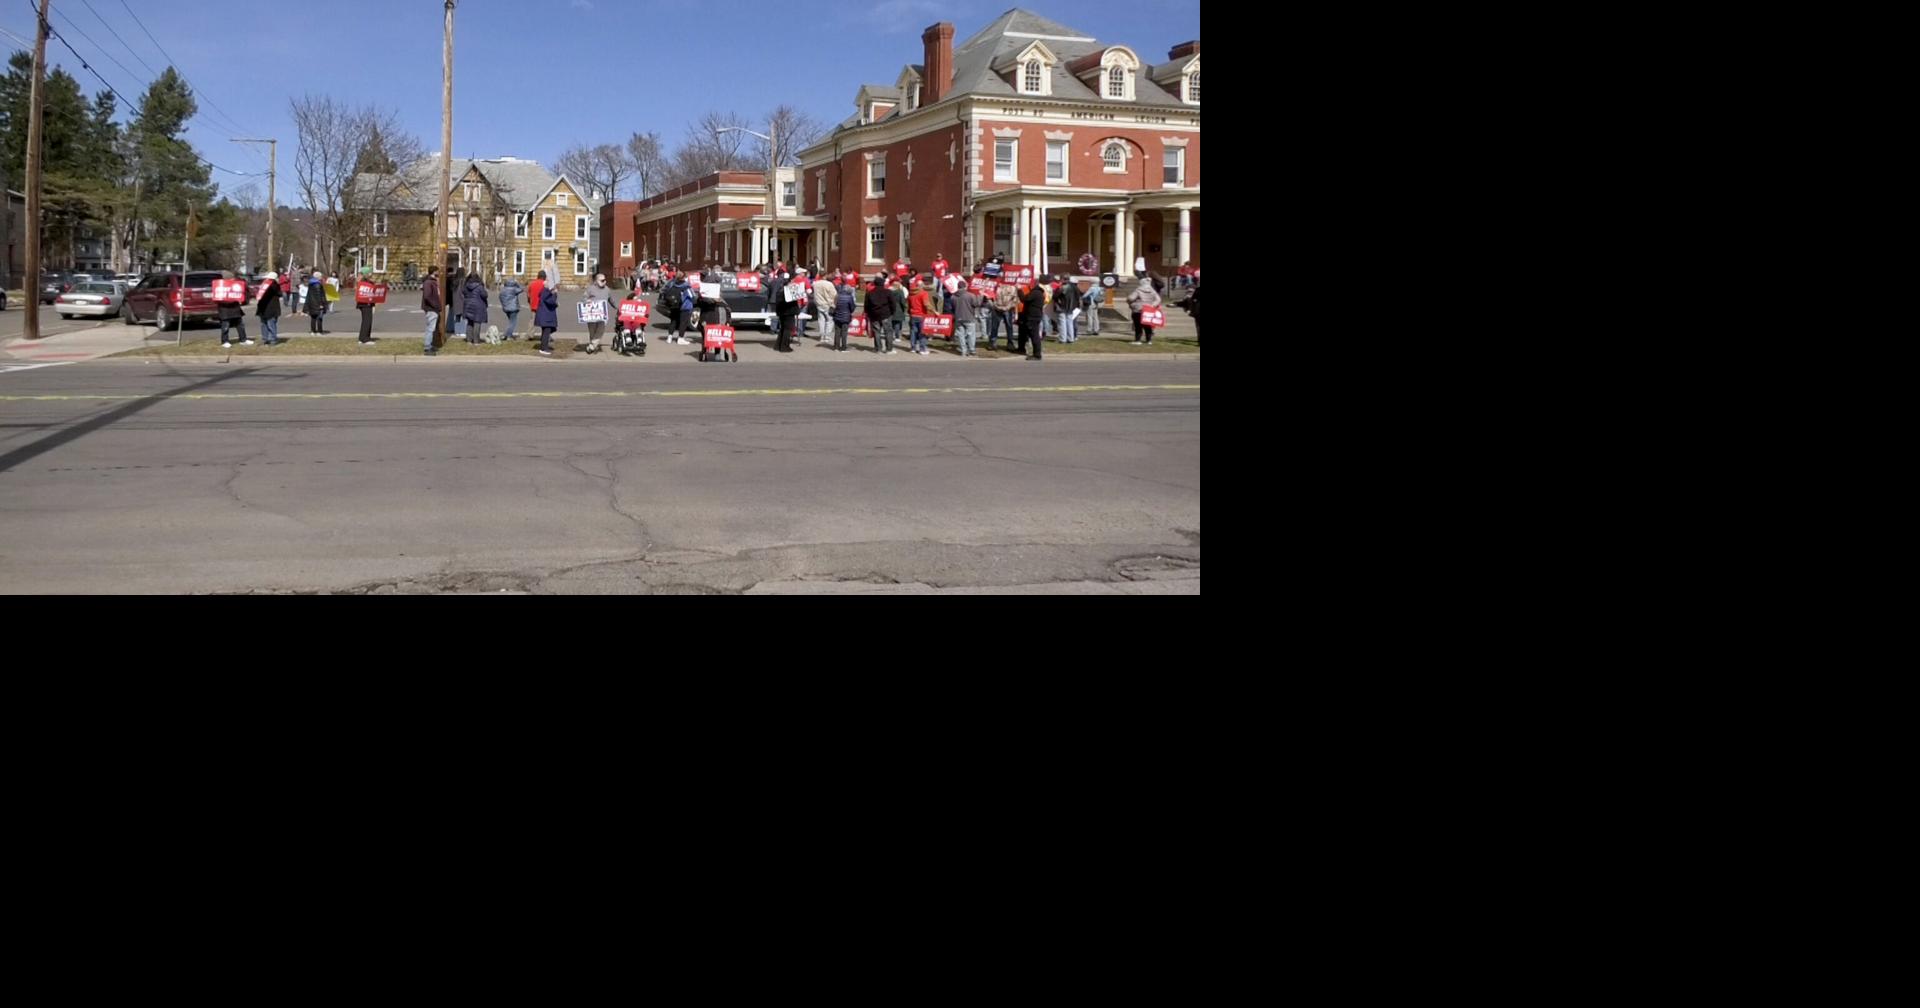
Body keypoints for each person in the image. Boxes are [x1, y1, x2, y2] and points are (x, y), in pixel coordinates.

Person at [217, 270, 253, 348]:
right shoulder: (221, 287)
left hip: (235, 309)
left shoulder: (235, 285)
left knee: (240, 325)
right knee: (225, 326)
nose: (233, 279)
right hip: (225, 310)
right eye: (232, 278)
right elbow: (220, 299)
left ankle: (243, 339)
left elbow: (243, 293)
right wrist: (231, 300)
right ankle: (225, 341)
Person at [581, 272, 612, 353]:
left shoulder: (607, 289)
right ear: (596, 281)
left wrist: (617, 307)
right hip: (591, 314)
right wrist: (586, 301)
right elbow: (584, 298)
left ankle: (591, 346)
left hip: (602, 315)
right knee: (592, 331)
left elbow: (611, 300)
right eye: (602, 280)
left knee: (600, 331)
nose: (604, 282)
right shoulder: (590, 289)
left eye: (605, 280)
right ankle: (594, 346)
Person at [1128, 274, 1163, 345]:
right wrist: (1152, 305)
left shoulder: (1138, 290)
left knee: (1138, 326)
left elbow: (1131, 298)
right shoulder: (1152, 290)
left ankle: (1138, 340)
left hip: (1138, 310)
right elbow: (1158, 299)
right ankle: (1149, 340)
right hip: (1148, 310)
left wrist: (1130, 303)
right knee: (1148, 326)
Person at [863, 275, 894, 354]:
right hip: (886, 314)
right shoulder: (888, 292)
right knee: (888, 332)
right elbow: (893, 304)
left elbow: (866, 305)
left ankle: (878, 348)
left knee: (877, 332)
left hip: (874, 314)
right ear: (883, 283)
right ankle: (889, 349)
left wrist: (868, 314)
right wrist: (892, 312)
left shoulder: (870, 293)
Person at [773, 269, 801, 352]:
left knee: (783, 328)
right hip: (788, 312)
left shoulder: (782, 288)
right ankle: (784, 346)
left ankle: (778, 345)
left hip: (782, 311)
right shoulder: (789, 289)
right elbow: (790, 302)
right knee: (787, 329)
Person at [951, 278, 980, 357]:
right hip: (969, 317)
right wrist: (981, 295)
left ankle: (963, 350)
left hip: (958, 317)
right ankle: (971, 350)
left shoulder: (953, 297)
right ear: (965, 287)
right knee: (971, 334)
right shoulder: (970, 295)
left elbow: (952, 308)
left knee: (960, 335)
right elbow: (976, 304)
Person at [1019, 279, 1047, 360]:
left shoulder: (1035, 292)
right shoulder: (1038, 292)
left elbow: (1024, 299)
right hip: (1033, 316)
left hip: (1033, 317)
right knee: (1031, 334)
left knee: (1034, 336)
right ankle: (1024, 349)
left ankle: (1037, 354)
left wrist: (1019, 290)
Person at [988, 277, 1019, 351]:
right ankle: (993, 343)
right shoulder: (995, 286)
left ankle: (1010, 343)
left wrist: (1011, 308)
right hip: (996, 308)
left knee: (1009, 327)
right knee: (994, 327)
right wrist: (993, 305)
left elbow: (1015, 299)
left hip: (1008, 309)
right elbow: (989, 296)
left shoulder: (1013, 288)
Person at [461, 271, 489, 345]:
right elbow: (485, 295)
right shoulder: (479, 286)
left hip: (468, 305)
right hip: (478, 306)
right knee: (477, 322)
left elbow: (463, 292)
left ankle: (469, 340)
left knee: (469, 322)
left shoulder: (466, 286)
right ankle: (476, 341)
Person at [420, 266, 442, 356]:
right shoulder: (428, 283)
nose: (438, 273)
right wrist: (435, 305)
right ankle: (427, 347)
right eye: (437, 271)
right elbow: (427, 296)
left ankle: (431, 345)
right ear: (433, 272)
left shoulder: (433, 282)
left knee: (432, 328)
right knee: (430, 328)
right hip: (431, 309)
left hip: (433, 308)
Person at [256, 271, 282, 346]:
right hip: (269, 308)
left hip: (265, 308)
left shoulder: (267, 285)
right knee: (270, 324)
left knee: (265, 324)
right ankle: (271, 339)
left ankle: (267, 339)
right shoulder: (274, 285)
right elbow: (279, 294)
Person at [907, 278, 932, 355]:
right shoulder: (923, 293)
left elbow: (908, 305)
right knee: (922, 332)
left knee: (913, 332)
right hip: (921, 315)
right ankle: (922, 349)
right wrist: (933, 311)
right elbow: (926, 304)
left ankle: (913, 348)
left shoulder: (910, 294)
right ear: (921, 286)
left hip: (913, 315)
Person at [534, 278, 558, 356]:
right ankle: (543, 348)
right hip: (546, 315)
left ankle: (544, 346)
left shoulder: (545, 291)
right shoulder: (546, 292)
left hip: (545, 315)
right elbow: (550, 301)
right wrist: (554, 294)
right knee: (546, 332)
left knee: (547, 331)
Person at [354, 266, 378, 345]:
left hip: (363, 303)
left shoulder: (360, 282)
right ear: (366, 274)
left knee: (365, 321)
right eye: (369, 272)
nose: (371, 274)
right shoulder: (365, 282)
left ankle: (362, 338)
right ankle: (365, 338)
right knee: (367, 321)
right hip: (366, 303)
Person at [830, 276, 854, 353]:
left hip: (837, 316)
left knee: (837, 332)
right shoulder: (850, 297)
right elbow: (852, 308)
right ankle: (843, 347)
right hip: (846, 316)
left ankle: (836, 347)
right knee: (844, 332)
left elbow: (834, 306)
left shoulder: (837, 296)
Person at [1052, 274, 1078, 344]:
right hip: (1071, 307)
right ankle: (1071, 338)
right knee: (1070, 323)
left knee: (1062, 323)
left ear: (1062, 279)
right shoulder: (1074, 287)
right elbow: (1077, 297)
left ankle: (1063, 339)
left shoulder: (1062, 287)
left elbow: (1055, 296)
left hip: (1062, 306)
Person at [812, 272, 836, 346]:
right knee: (830, 320)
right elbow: (834, 294)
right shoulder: (829, 284)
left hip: (819, 303)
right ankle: (827, 336)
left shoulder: (815, 284)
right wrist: (834, 304)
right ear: (825, 276)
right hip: (827, 304)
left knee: (821, 320)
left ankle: (822, 336)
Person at [887, 275, 909, 353]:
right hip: (899, 309)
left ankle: (891, 335)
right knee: (897, 323)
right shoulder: (900, 292)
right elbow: (903, 301)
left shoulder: (889, 291)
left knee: (892, 323)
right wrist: (905, 307)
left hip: (890, 309)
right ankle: (897, 336)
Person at [498, 274, 523, 340]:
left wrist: (504, 305)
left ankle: (508, 334)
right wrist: (517, 283)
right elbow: (521, 289)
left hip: (506, 308)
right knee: (513, 322)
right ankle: (508, 335)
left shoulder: (503, 290)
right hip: (513, 308)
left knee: (510, 321)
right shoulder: (514, 289)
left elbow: (500, 297)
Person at [527, 270, 547, 339]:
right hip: (543, 305)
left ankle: (530, 335)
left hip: (534, 305)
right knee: (544, 321)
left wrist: (530, 302)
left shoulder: (532, 284)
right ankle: (544, 335)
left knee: (532, 320)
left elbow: (528, 295)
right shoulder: (545, 284)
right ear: (544, 277)